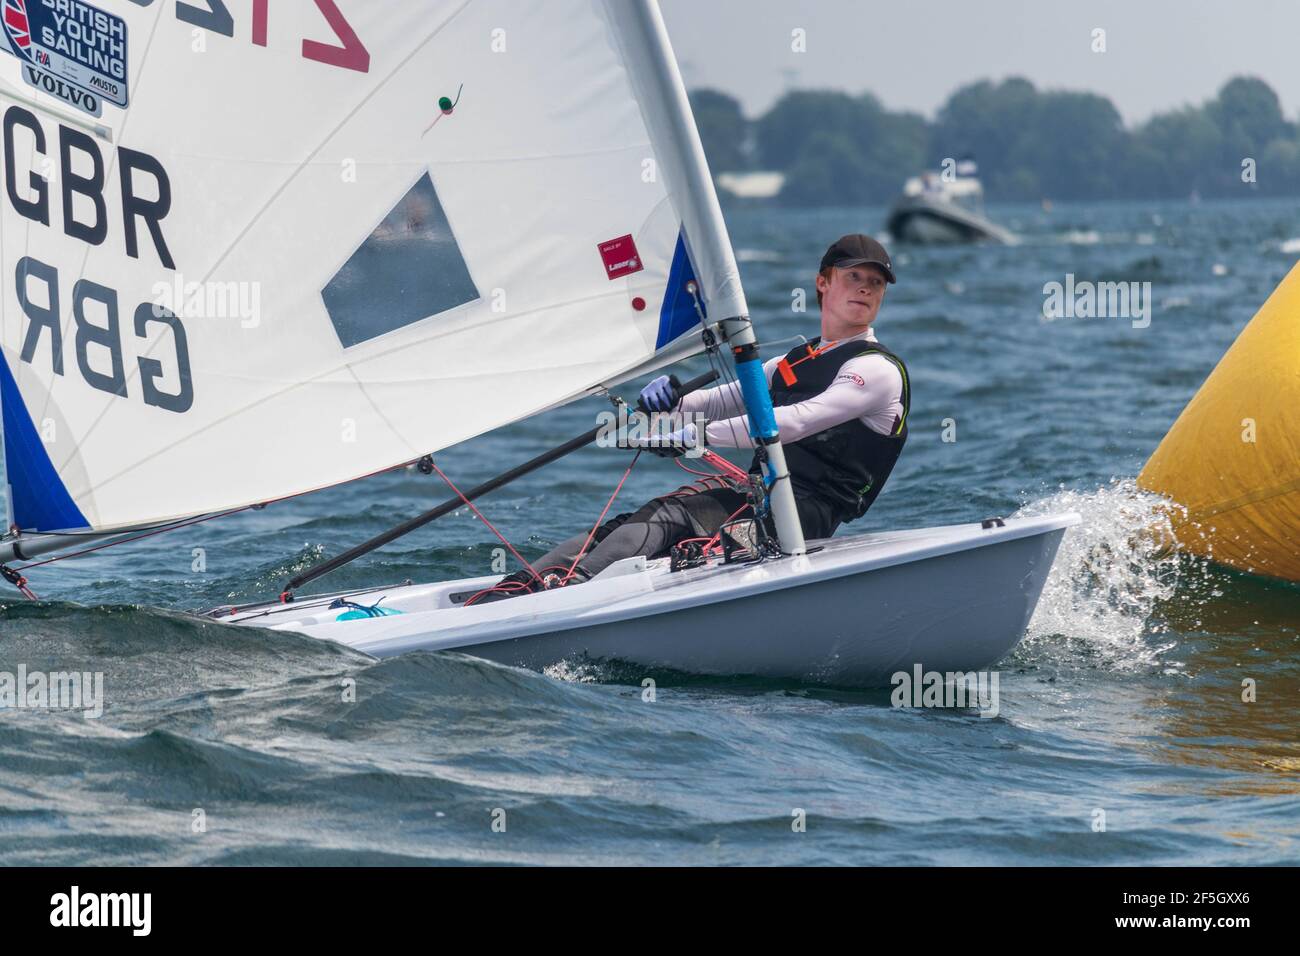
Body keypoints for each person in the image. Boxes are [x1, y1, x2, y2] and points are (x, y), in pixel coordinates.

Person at [468, 234, 910, 604]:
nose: (865, 288)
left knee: (670, 518)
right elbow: (722, 401)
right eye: (854, 277)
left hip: (803, 516)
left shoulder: (876, 370)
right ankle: (508, 594)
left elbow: (790, 422)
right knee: (623, 525)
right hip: (758, 497)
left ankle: (561, 598)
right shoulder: (794, 360)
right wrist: (672, 401)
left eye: (876, 283)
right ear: (822, 283)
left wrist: (695, 436)